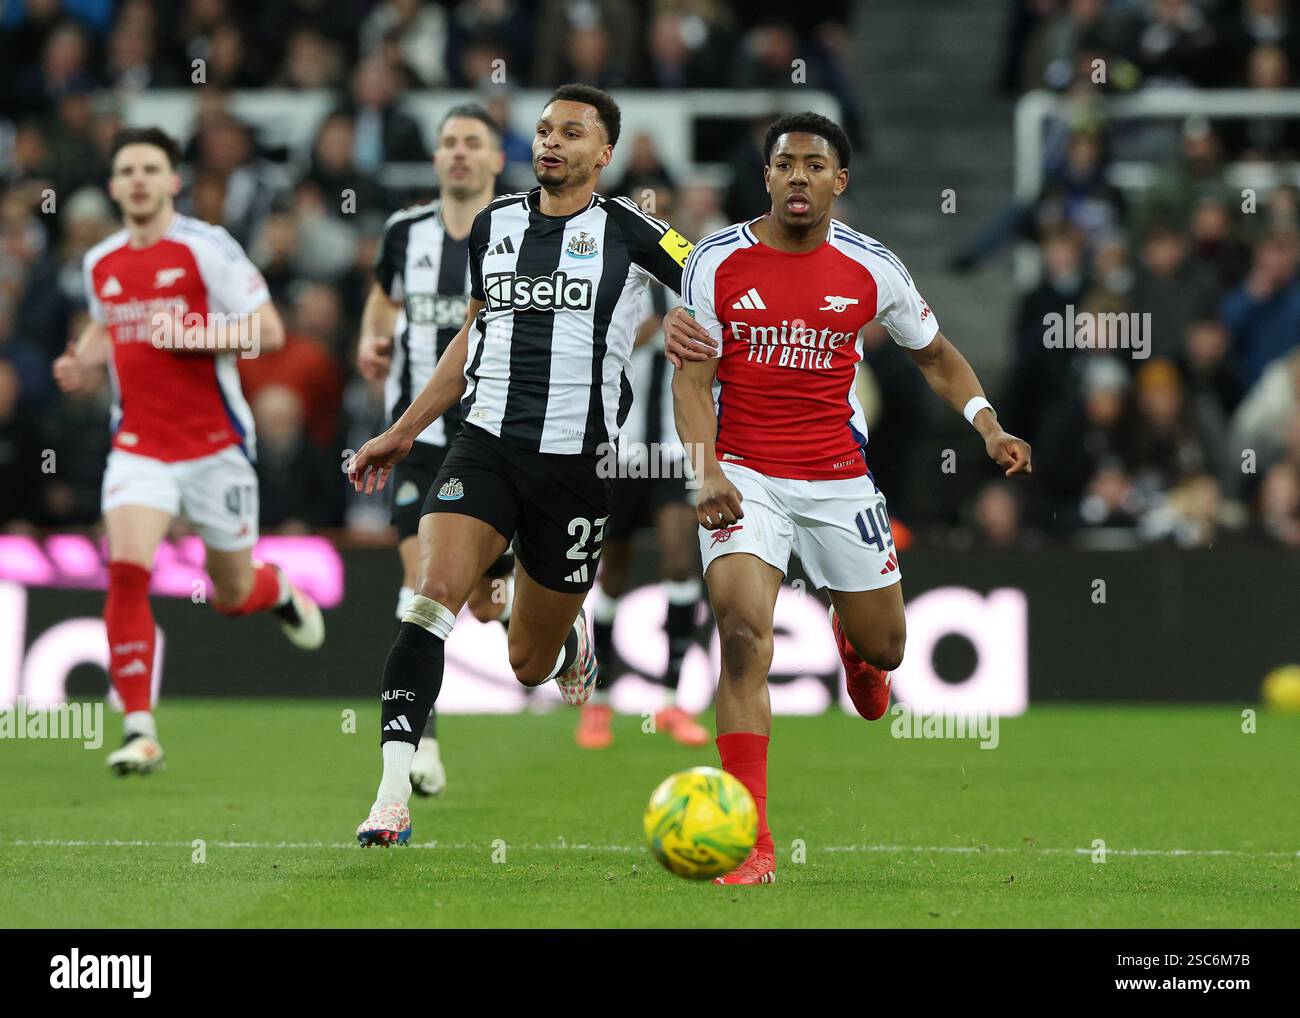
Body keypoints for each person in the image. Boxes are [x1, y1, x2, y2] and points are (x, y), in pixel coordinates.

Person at [664, 112, 1033, 885]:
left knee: (889, 649)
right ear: (765, 177)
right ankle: (750, 840)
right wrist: (707, 474)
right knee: (740, 635)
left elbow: (935, 357)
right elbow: (691, 381)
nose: (799, 176)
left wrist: (989, 426)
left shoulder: (873, 267)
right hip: (744, 471)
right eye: (785, 164)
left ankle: (853, 642)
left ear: (840, 180)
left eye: (815, 164)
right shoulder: (714, 261)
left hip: (837, 476)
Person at [347, 84, 695, 846]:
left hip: (577, 470)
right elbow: (474, 332)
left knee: (529, 662)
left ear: (604, 154)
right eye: (543, 129)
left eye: (571, 133)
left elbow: (717, 281)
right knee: (431, 596)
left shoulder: (636, 231)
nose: (551, 142)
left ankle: (571, 642)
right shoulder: (494, 223)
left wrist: (705, 334)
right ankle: (390, 794)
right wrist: (404, 430)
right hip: (484, 446)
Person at [52, 127, 325, 776]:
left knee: (231, 590)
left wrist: (197, 332)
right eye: (127, 170)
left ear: (173, 181)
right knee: (126, 570)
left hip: (215, 447)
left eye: (152, 168)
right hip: (139, 445)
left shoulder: (208, 249)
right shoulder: (103, 262)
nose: (139, 180)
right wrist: (80, 359)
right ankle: (140, 727)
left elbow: (268, 330)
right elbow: (106, 320)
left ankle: (277, 590)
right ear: (115, 185)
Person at [357, 104, 513, 798]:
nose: (457, 153)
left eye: (471, 143)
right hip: (416, 439)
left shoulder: (516, 230)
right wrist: (371, 337)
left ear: (494, 160)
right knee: (422, 589)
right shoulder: (403, 232)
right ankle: (420, 743)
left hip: (495, 435)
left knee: (482, 603)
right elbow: (382, 301)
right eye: (448, 142)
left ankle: (545, 626)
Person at [576, 281, 709, 749]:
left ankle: (672, 699)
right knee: (613, 572)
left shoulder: (689, 290)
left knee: (680, 559)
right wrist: (645, 332)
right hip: (620, 453)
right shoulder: (612, 286)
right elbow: (589, 353)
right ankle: (600, 702)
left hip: (671, 454)